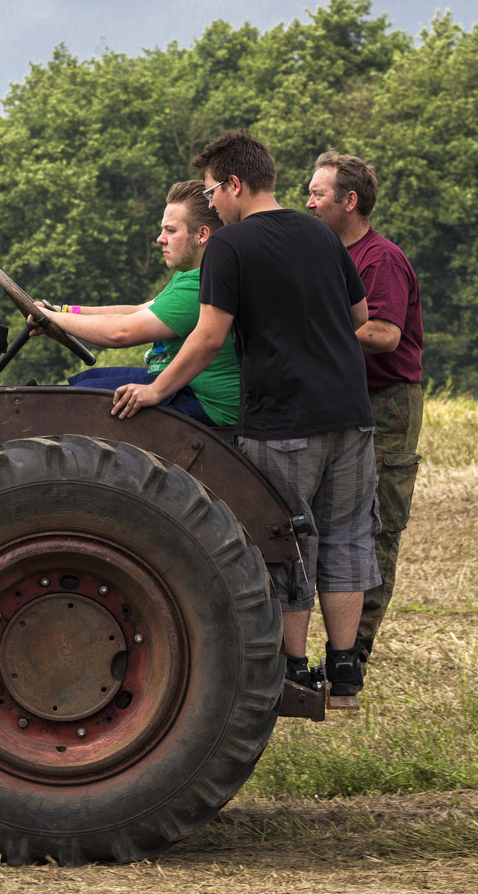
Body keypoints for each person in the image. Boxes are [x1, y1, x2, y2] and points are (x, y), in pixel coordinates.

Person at [110, 130, 377, 695]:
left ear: (235, 184)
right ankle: (345, 666)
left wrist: (156, 390)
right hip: (350, 411)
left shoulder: (230, 246)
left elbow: (209, 337)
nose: (212, 203)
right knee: (348, 536)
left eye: (211, 192)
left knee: (287, 537)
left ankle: (294, 669)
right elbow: (359, 315)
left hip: (283, 418)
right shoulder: (321, 233)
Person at [307, 150, 423, 663]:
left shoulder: (381, 260)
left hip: (386, 403)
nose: (308, 203)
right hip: (340, 397)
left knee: (377, 526)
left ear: (349, 201)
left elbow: (384, 334)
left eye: (318, 194)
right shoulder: (326, 255)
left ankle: (353, 656)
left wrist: (310, 339)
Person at [28, 181, 241, 427]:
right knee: (85, 382)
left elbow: (122, 333)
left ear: (202, 235)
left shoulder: (199, 282)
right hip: (185, 387)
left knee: (79, 400)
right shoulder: (191, 274)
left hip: (206, 404)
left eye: (170, 231)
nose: (160, 239)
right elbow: (139, 311)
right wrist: (63, 311)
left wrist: (51, 318)